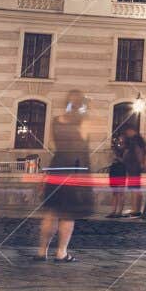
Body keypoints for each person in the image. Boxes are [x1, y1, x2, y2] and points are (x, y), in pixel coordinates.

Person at [36, 93, 94, 261]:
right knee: (67, 214)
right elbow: (84, 140)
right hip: (74, 169)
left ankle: (41, 251)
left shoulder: (56, 121)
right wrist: (89, 110)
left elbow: (51, 143)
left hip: (57, 166)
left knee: (51, 212)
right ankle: (61, 252)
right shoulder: (83, 122)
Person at [114, 121, 146, 217]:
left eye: (126, 132)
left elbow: (140, 151)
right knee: (134, 188)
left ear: (130, 130)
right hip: (132, 165)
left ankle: (136, 210)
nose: (126, 134)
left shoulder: (136, 139)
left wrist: (141, 163)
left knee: (135, 188)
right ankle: (135, 209)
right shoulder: (134, 139)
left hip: (134, 165)